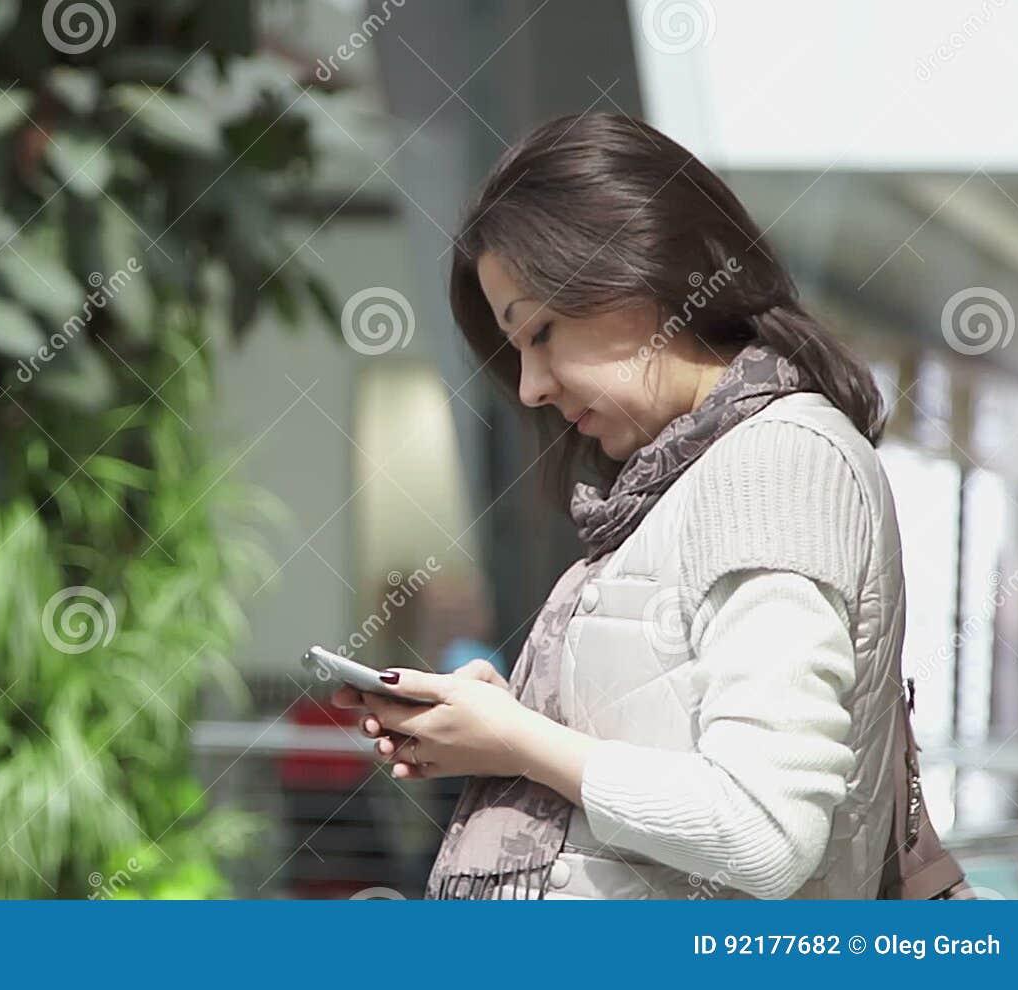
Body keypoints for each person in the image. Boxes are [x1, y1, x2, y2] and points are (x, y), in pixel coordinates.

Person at [333, 111, 920, 900]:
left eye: (541, 332)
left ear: (645, 272)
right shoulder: (684, 475)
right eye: (516, 351)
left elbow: (764, 831)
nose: (532, 387)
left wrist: (517, 741)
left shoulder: (774, 463)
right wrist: (502, 721)